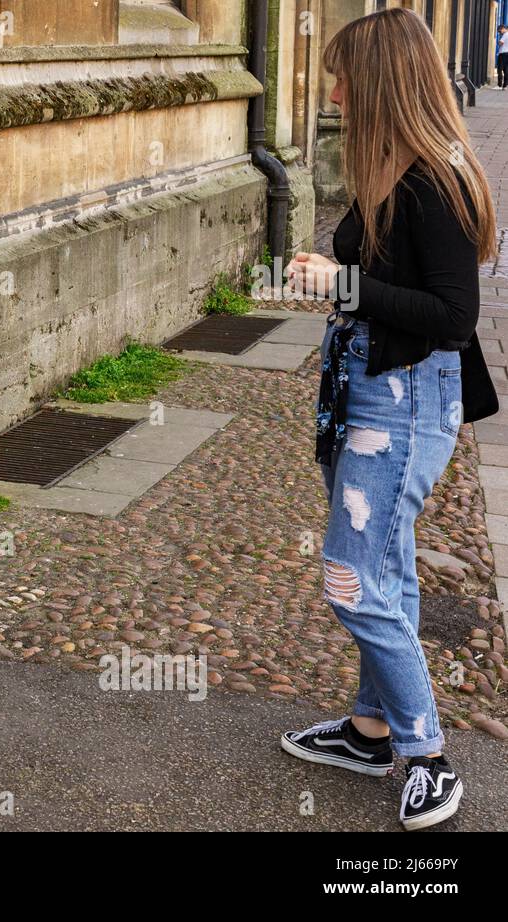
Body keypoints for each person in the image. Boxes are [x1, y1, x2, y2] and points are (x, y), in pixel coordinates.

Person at [281, 8, 498, 832]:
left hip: (405, 401)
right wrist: (338, 265)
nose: (332, 90)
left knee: (352, 576)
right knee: (387, 568)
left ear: (380, 83)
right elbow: (365, 259)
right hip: (372, 393)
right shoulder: (393, 166)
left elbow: (451, 312)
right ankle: (372, 731)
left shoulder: (432, 181)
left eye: (342, 76)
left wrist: (341, 287)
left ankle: (429, 757)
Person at [498, 25, 508, 90]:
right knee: (506, 70)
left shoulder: (505, 34)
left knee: (500, 69)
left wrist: (499, 42)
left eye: (500, 31)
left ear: (503, 29)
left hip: (503, 54)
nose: (500, 33)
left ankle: (500, 83)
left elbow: (500, 43)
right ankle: (505, 85)